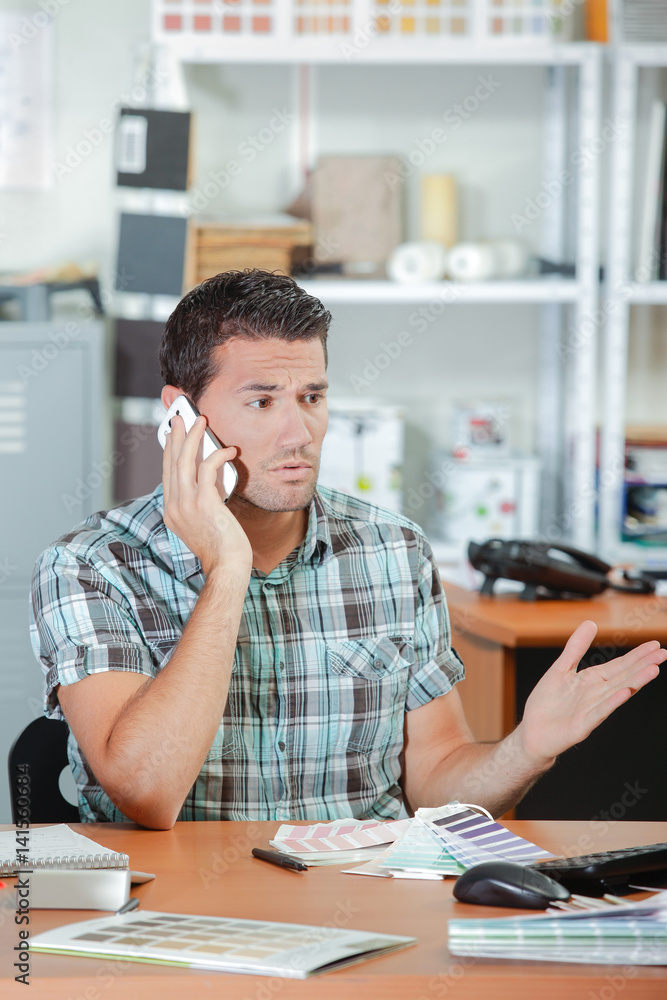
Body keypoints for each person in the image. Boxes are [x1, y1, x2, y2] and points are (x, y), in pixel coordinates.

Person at [30, 270, 665, 830]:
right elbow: (146, 791)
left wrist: (527, 748)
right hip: (176, 920)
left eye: (312, 397)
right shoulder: (91, 565)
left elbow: (434, 781)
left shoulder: (395, 550)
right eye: (261, 401)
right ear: (180, 416)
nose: (298, 432)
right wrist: (227, 570)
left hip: (363, 911)